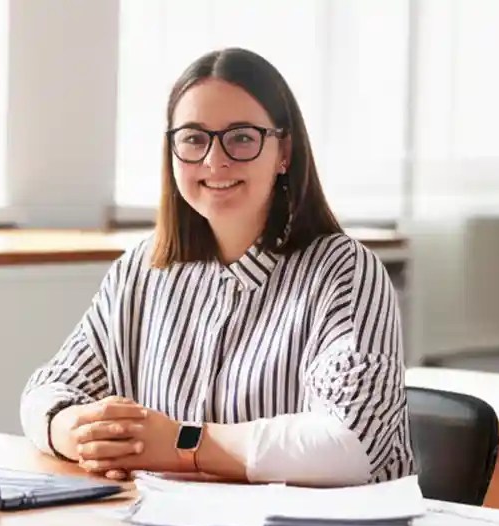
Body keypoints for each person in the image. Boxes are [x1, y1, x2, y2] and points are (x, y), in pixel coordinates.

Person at [20, 47, 415, 486]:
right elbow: (47, 390)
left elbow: (348, 445)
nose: (214, 160)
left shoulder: (346, 273)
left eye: (242, 137)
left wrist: (183, 443)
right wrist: (74, 432)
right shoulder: (139, 272)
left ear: (284, 151)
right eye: (193, 138)